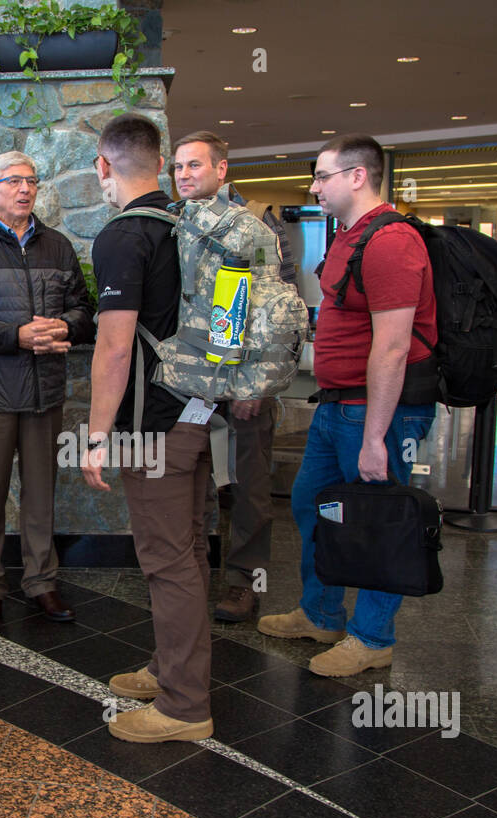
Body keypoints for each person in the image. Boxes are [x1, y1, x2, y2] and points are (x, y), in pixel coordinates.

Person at [257, 134, 436, 676]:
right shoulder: (350, 237)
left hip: (375, 412)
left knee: (378, 521)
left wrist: (377, 437)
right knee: (314, 505)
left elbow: (394, 345)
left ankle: (373, 637)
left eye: (322, 176)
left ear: (358, 176)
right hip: (337, 406)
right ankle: (322, 613)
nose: (314, 187)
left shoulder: (391, 242)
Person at [82, 113, 214, 744]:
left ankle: (185, 706)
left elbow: (113, 345)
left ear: (104, 166)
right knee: (186, 550)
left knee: (166, 561)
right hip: (197, 410)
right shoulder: (192, 226)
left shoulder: (122, 236)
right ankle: (169, 666)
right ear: (161, 165)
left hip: (150, 424)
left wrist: (97, 434)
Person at [0, 151, 95, 630]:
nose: (24, 189)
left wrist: (63, 326)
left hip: (45, 392)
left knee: (41, 494)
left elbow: (85, 311)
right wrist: (17, 337)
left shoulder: (58, 246)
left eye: (31, 181)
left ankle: (42, 582)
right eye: (12, 181)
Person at [172, 131, 295, 624]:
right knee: (193, 479)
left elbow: (262, 309)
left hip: (241, 380)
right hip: (191, 381)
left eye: (195, 166)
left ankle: (243, 581)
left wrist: (251, 387)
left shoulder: (250, 227)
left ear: (222, 170)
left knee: (247, 486)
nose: (184, 175)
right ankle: (194, 571)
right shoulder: (176, 222)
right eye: (178, 166)